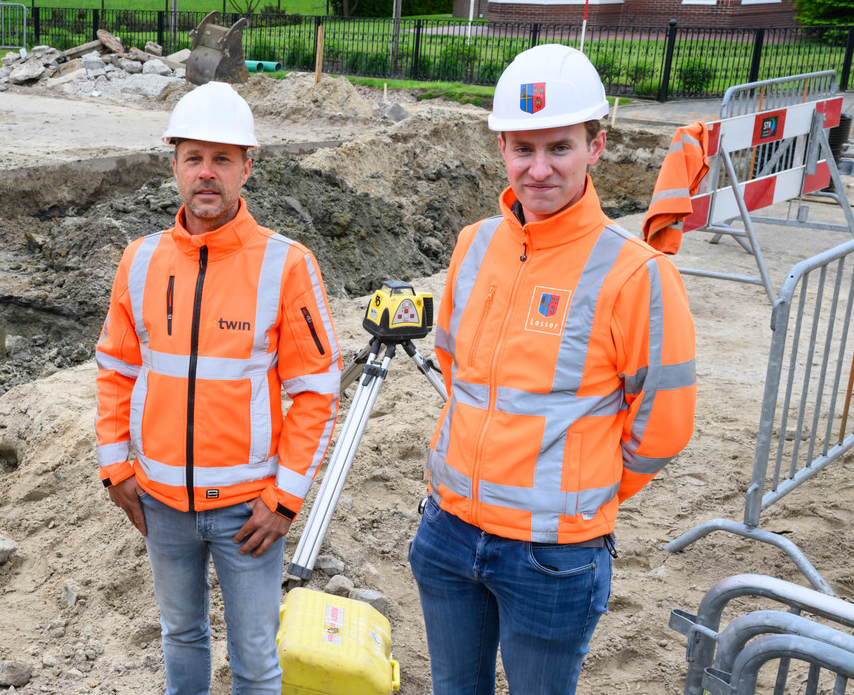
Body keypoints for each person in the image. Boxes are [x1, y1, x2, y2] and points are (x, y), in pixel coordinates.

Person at [409, 44, 697, 695]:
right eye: (522, 149)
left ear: (596, 146)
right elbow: (455, 368)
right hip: (449, 531)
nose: (537, 169)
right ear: (502, 148)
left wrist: (584, 492)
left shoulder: (636, 273)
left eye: (558, 148)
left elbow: (664, 422)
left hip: (552, 556)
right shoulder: (474, 245)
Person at [95, 81, 342, 695]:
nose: (207, 172)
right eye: (194, 158)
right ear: (175, 166)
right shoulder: (140, 260)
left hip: (248, 509)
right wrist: (115, 467)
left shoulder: (286, 264)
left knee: (255, 659)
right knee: (180, 635)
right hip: (161, 503)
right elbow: (116, 370)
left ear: (246, 168)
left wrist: (285, 499)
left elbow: (317, 391)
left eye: (222, 159)